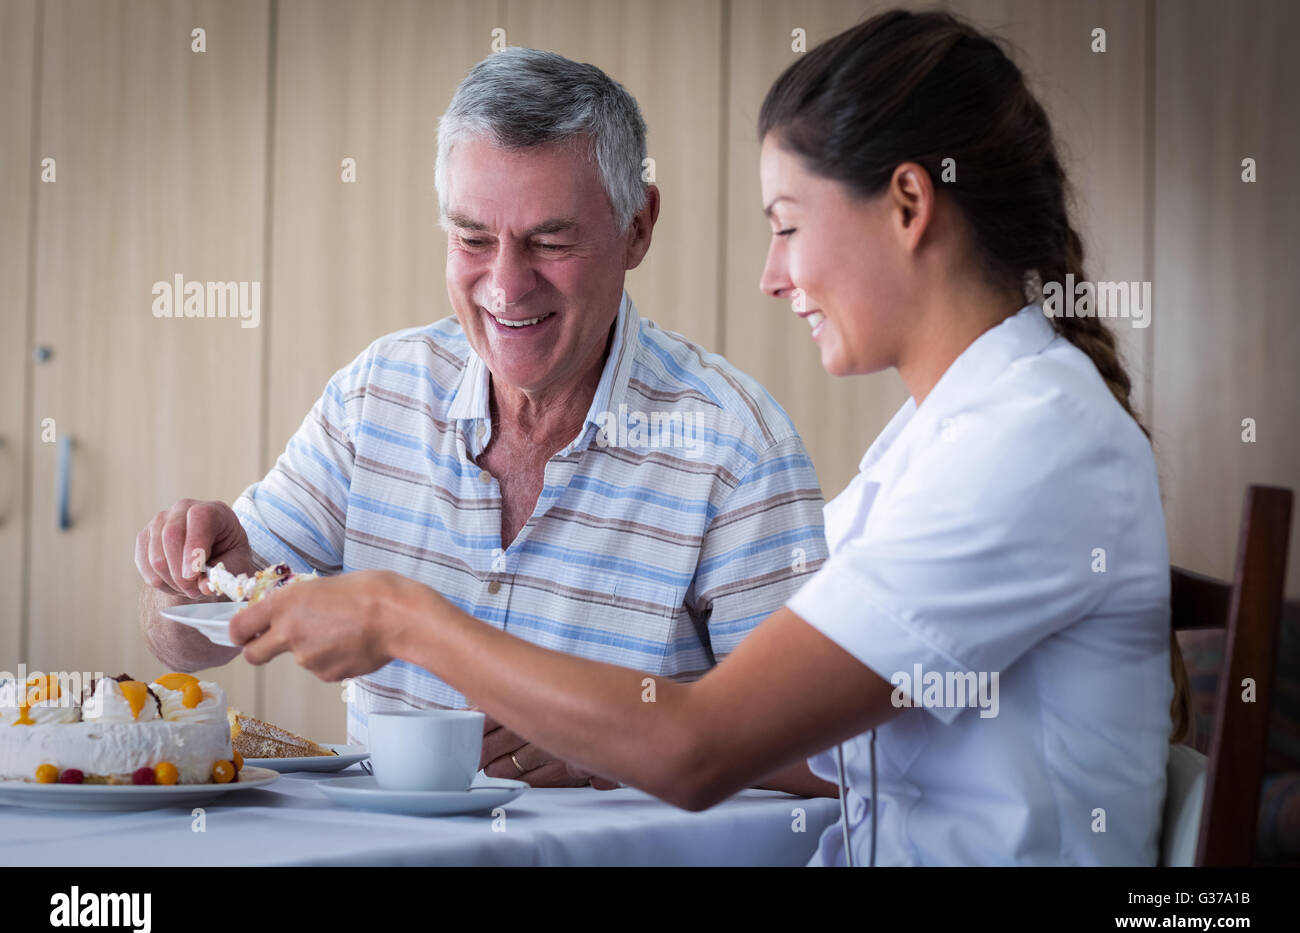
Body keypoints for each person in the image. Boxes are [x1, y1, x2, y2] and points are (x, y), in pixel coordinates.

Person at [225, 9, 1191, 865]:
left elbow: (699, 748)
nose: (773, 276)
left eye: (786, 225)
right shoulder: (943, 439)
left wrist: (403, 617)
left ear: (908, 205)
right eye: (474, 236)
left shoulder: (1027, 444)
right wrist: (610, 733)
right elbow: (800, 742)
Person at [135, 47, 832, 797]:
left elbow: (831, 755)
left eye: (550, 242)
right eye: (472, 238)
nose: (505, 285)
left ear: (638, 226)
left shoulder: (735, 446)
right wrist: (195, 582)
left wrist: (619, 742)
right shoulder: (379, 394)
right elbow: (185, 643)